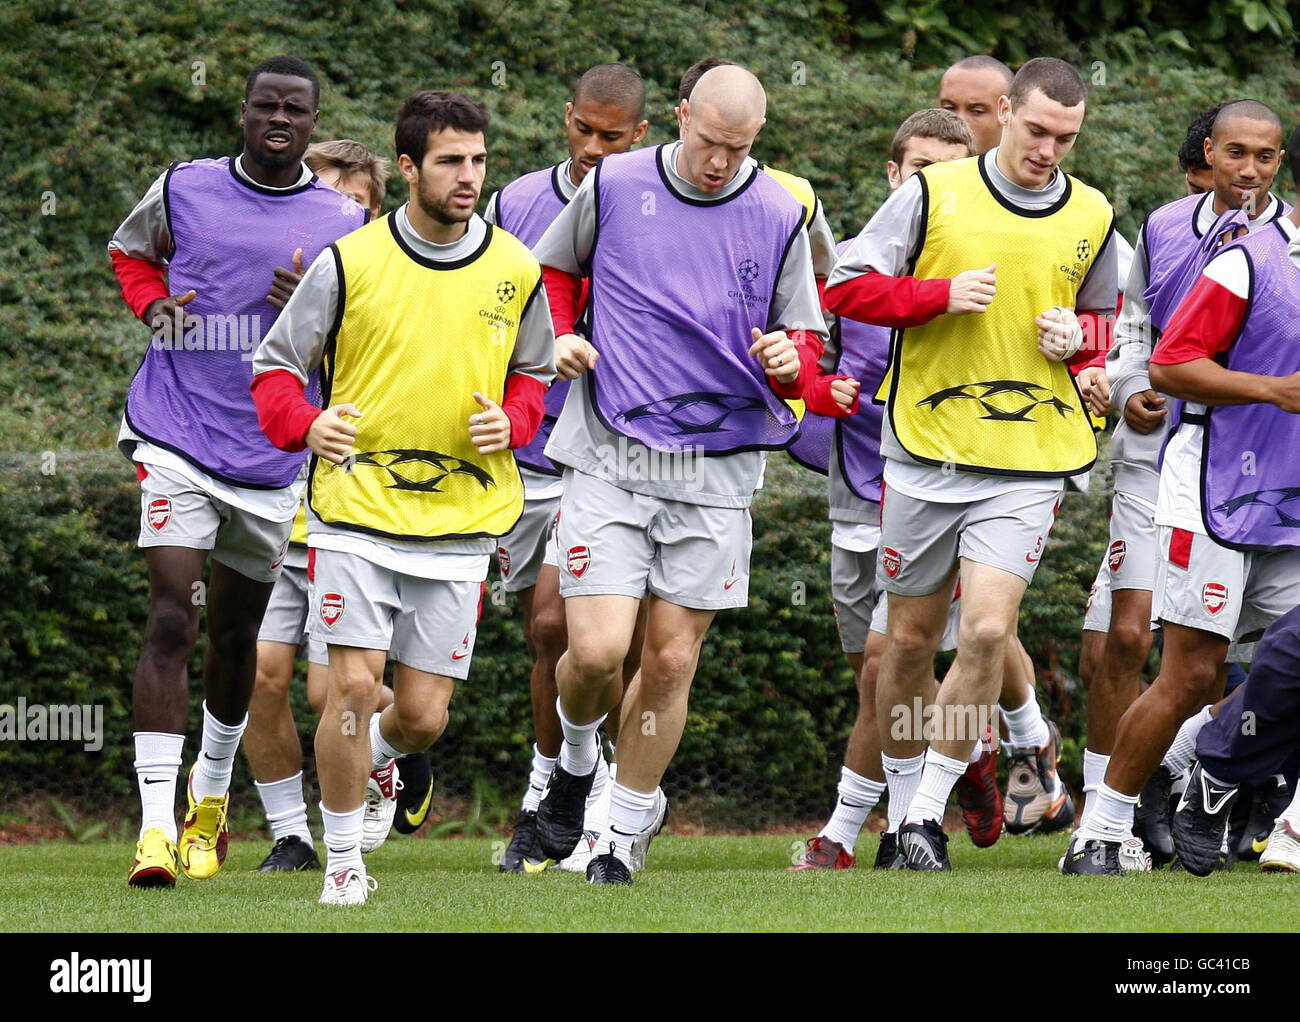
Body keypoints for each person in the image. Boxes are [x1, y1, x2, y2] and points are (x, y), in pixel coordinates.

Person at [532, 63, 854, 885]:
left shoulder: (782, 209)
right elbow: (552, 274)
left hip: (719, 464)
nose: (720, 161)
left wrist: (792, 359)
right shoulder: (615, 184)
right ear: (680, 117)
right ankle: (575, 763)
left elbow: (804, 333)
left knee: (671, 663)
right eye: (709, 142)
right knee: (598, 652)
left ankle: (621, 833)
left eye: (738, 147)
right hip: (613, 446)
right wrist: (560, 338)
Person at [251, 90, 555, 904]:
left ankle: (369, 764)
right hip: (354, 512)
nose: (469, 176)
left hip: (462, 523)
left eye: (480, 160)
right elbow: (275, 367)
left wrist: (516, 421)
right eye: (451, 161)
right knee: (350, 689)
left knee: (419, 719)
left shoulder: (515, 267)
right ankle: (344, 861)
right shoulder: (349, 263)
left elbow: (533, 374)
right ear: (411, 167)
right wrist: (307, 425)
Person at [825, 57, 1118, 872]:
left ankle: (919, 819)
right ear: (1003, 114)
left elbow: (1108, 329)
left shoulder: (1091, 213)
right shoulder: (934, 193)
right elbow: (845, 287)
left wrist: (1080, 345)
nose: (1049, 149)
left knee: (987, 629)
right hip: (925, 450)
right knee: (909, 647)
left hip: (1031, 456)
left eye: (1066, 137)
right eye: (1036, 130)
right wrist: (934, 296)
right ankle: (909, 795)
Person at [109, 55, 368, 889]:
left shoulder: (342, 222)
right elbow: (130, 254)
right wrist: (152, 305)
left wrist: (322, 310)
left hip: (269, 456)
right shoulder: (185, 186)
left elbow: (367, 338)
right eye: (267, 106)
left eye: (296, 109)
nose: (280, 120)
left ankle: (210, 796)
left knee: (234, 638)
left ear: (312, 118)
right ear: (246, 112)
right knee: (171, 621)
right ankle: (154, 831)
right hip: (175, 433)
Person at [1070, 103, 1300, 877]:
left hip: (1290, 489)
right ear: (1210, 151)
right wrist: (1271, 390)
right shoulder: (1243, 257)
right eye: (1236, 153)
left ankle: (1216, 771)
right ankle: (1098, 834)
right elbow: (1166, 361)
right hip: (1208, 482)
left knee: (1285, 663)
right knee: (1191, 671)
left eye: (1265, 156)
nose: (1250, 169)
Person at [791, 108, 983, 871]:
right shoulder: (853, 271)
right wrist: (813, 384)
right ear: (893, 175)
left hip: (950, 495)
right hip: (856, 502)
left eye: (948, 170)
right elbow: (810, 358)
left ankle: (859, 831)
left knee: (886, 663)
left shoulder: (988, 261)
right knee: (881, 678)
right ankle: (959, 761)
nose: (930, 183)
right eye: (918, 169)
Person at [484, 64, 649, 875]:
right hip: (527, 443)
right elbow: (482, 303)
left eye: (609, 136)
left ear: (640, 136)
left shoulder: (656, 203)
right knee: (545, 635)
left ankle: (582, 797)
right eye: (581, 128)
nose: (590, 146)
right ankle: (561, 788)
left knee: (584, 635)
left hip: (617, 450)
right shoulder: (514, 200)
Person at [243, 139, 395, 873]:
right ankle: (290, 835)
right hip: (276, 501)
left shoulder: (397, 287)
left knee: (331, 691)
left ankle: (394, 755)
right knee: (259, 674)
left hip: (354, 517)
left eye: (352, 211)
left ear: (375, 216)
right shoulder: (270, 286)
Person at [938, 55, 1013, 155]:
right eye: (949, 109)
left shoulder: (1032, 167)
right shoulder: (921, 168)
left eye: (977, 112)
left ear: (1006, 113)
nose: (959, 123)